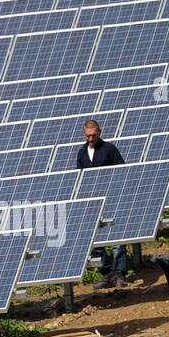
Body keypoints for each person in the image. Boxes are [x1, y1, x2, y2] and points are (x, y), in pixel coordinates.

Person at [76, 119, 128, 288]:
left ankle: (120, 273)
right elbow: (80, 177)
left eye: (94, 135)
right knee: (96, 241)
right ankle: (107, 273)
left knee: (117, 238)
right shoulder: (82, 153)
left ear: (99, 132)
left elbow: (122, 171)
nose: (91, 138)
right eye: (88, 135)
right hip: (92, 202)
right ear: (84, 134)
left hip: (111, 198)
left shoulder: (109, 149)